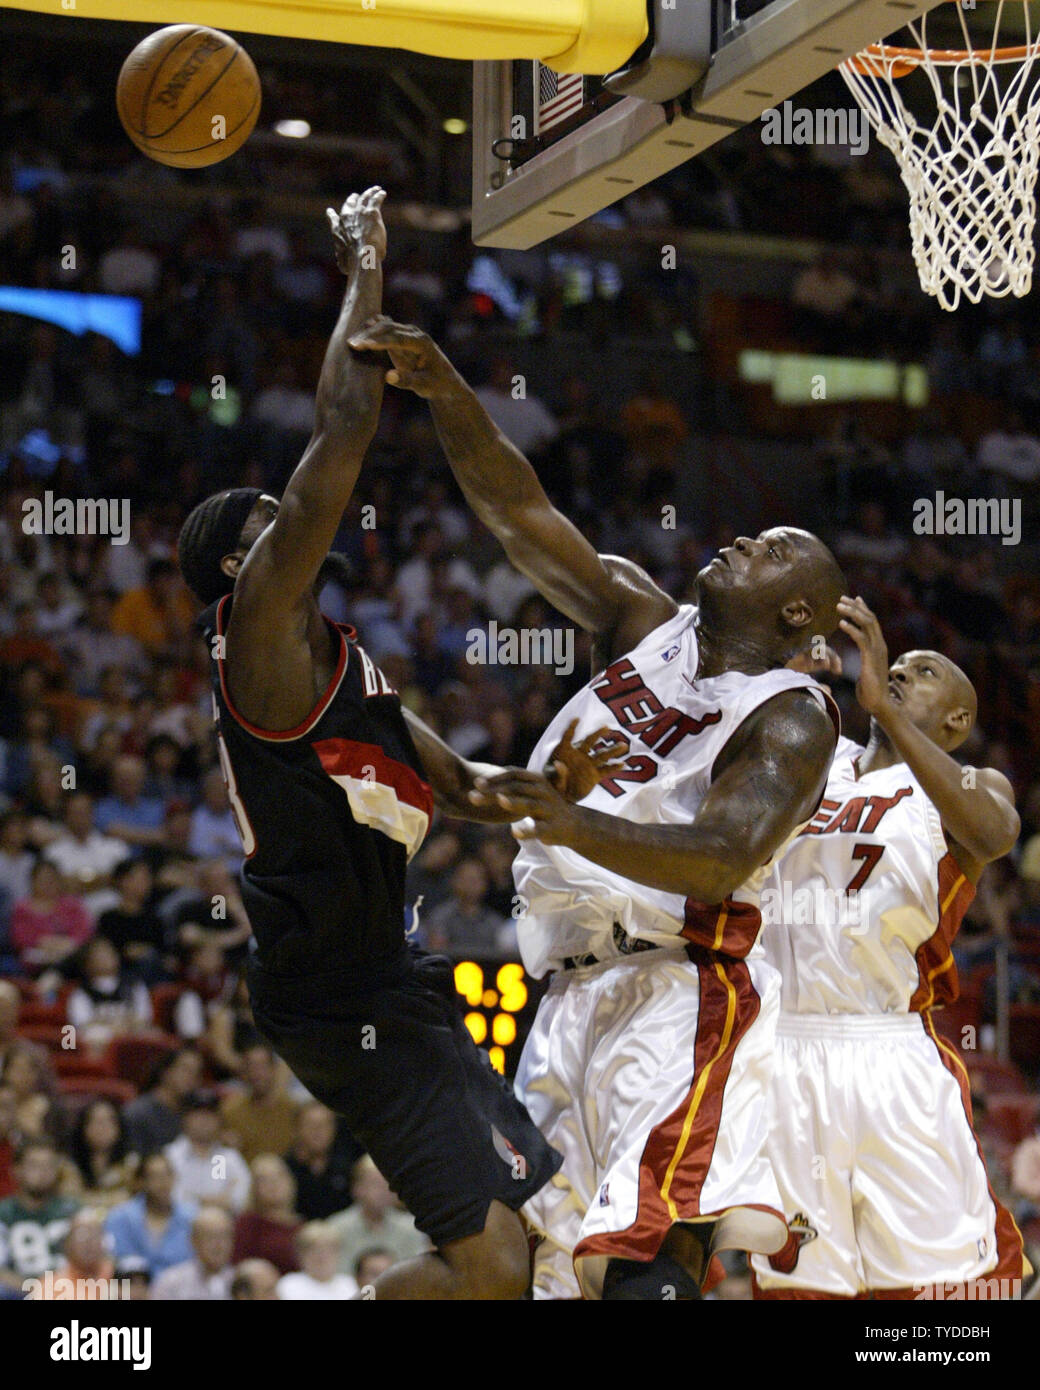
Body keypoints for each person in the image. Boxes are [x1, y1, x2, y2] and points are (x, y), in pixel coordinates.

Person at [175, 189, 622, 1300]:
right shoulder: (257, 644)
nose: (293, 525)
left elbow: (463, 789)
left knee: (529, 1242)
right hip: (335, 994)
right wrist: (363, 271)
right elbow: (342, 428)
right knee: (503, 1273)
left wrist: (553, 786)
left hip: (390, 975)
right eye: (266, 527)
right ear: (242, 569)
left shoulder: (340, 663)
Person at [350, 316, 847, 1300]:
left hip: (678, 993)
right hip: (566, 994)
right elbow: (517, 514)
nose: (743, 538)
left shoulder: (789, 715)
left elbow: (721, 854)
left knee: (637, 1256)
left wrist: (568, 820)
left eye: (771, 548)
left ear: (797, 614)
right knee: (515, 1266)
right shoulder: (641, 620)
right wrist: (448, 389)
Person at [750, 601, 1025, 1300]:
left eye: (921, 672)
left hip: (888, 1049)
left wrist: (887, 710)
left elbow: (995, 833)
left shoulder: (967, 787)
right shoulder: (814, 764)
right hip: (784, 1052)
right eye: (892, 669)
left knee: (946, 1296)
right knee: (798, 1289)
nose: (898, 673)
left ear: (958, 721)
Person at [326, 1154, 428, 1277]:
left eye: (388, 1184)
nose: (384, 1191)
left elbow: (416, 1276)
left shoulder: (412, 1228)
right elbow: (336, 1279)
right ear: (357, 1188)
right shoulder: (335, 1229)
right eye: (375, 1184)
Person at [0, 1138, 79, 1289]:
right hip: (17, 1292)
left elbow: (100, 1262)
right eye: (34, 1165)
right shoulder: (3, 1214)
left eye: (48, 1165)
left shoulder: (74, 1211)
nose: (42, 1172)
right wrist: (37, 1290)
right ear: (17, 1170)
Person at [105, 1151, 195, 1278]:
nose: (163, 1183)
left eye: (167, 1175)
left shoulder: (192, 1218)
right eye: (155, 1177)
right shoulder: (120, 1218)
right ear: (142, 1181)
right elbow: (114, 1262)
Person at [163, 1091, 251, 1213]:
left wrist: (196, 1199)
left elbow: (242, 1197)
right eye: (198, 1113)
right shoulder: (170, 1156)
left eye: (210, 1114)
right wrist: (217, 1200)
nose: (204, 1119)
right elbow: (168, 1197)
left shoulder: (229, 1157)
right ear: (185, 1118)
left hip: (222, 1226)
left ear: (219, 1120)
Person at [220, 1044, 299, 1163]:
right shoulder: (229, 1111)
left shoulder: (293, 1110)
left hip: (285, 1178)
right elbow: (218, 1161)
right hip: (243, 1178)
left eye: (263, 1066)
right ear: (244, 1072)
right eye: (251, 1067)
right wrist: (224, 1148)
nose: (257, 1073)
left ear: (274, 1069)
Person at [232, 1153, 301, 1275]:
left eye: (279, 1176)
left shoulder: (301, 1226)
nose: (273, 1184)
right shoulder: (246, 1224)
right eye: (264, 1179)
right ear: (254, 1188)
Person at [150, 1203, 234, 1300]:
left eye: (225, 1237)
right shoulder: (171, 1283)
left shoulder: (239, 1281)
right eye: (211, 1237)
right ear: (194, 1241)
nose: (219, 1245)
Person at [276, 1220, 357, 1300]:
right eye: (314, 1250)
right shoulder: (288, 1285)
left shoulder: (349, 1284)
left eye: (329, 1250)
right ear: (301, 1254)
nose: (322, 1256)